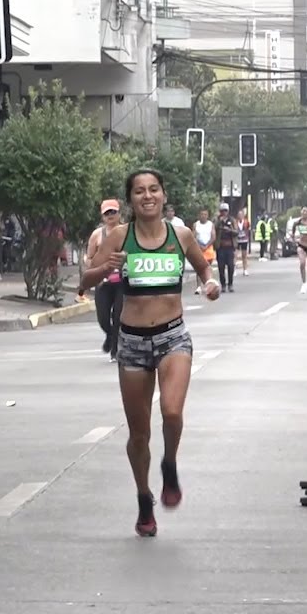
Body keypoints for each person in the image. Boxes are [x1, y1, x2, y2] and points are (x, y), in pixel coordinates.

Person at [80, 169, 219, 538]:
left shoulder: (181, 234)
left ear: (163, 195)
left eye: (153, 189)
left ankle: (169, 463)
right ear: (130, 200)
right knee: (139, 432)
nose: (147, 196)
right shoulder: (118, 237)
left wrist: (210, 283)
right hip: (132, 342)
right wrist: (104, 268)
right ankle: (144, 497)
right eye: (139, 191)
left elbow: (203, 266)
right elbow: (84, 281)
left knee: (171, 412)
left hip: (174, 337)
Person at [77, 198, 126, 360]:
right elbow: (89, 258)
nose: (110, 215)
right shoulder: (97, 235)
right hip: (103, 282)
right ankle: (110, 335)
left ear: (119, 213)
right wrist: (96, 269)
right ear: (102, 216)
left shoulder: (128, 232)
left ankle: (115, 350)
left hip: (122, 282)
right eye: (107, 213)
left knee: (118, 316)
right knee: (103, 318)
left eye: (113, 212)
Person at [213, 203, 237, 292]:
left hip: (230, 247)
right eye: (222, 211)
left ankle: (230, 284)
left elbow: (236, 231)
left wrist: (229, 230)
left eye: (225, 211)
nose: (224, 213)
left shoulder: (232, 220)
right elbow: (214, 229)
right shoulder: (217, 220)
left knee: (231, 266)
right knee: (221, 267)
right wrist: (220, 222)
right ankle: (223, 284)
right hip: (220, 247)